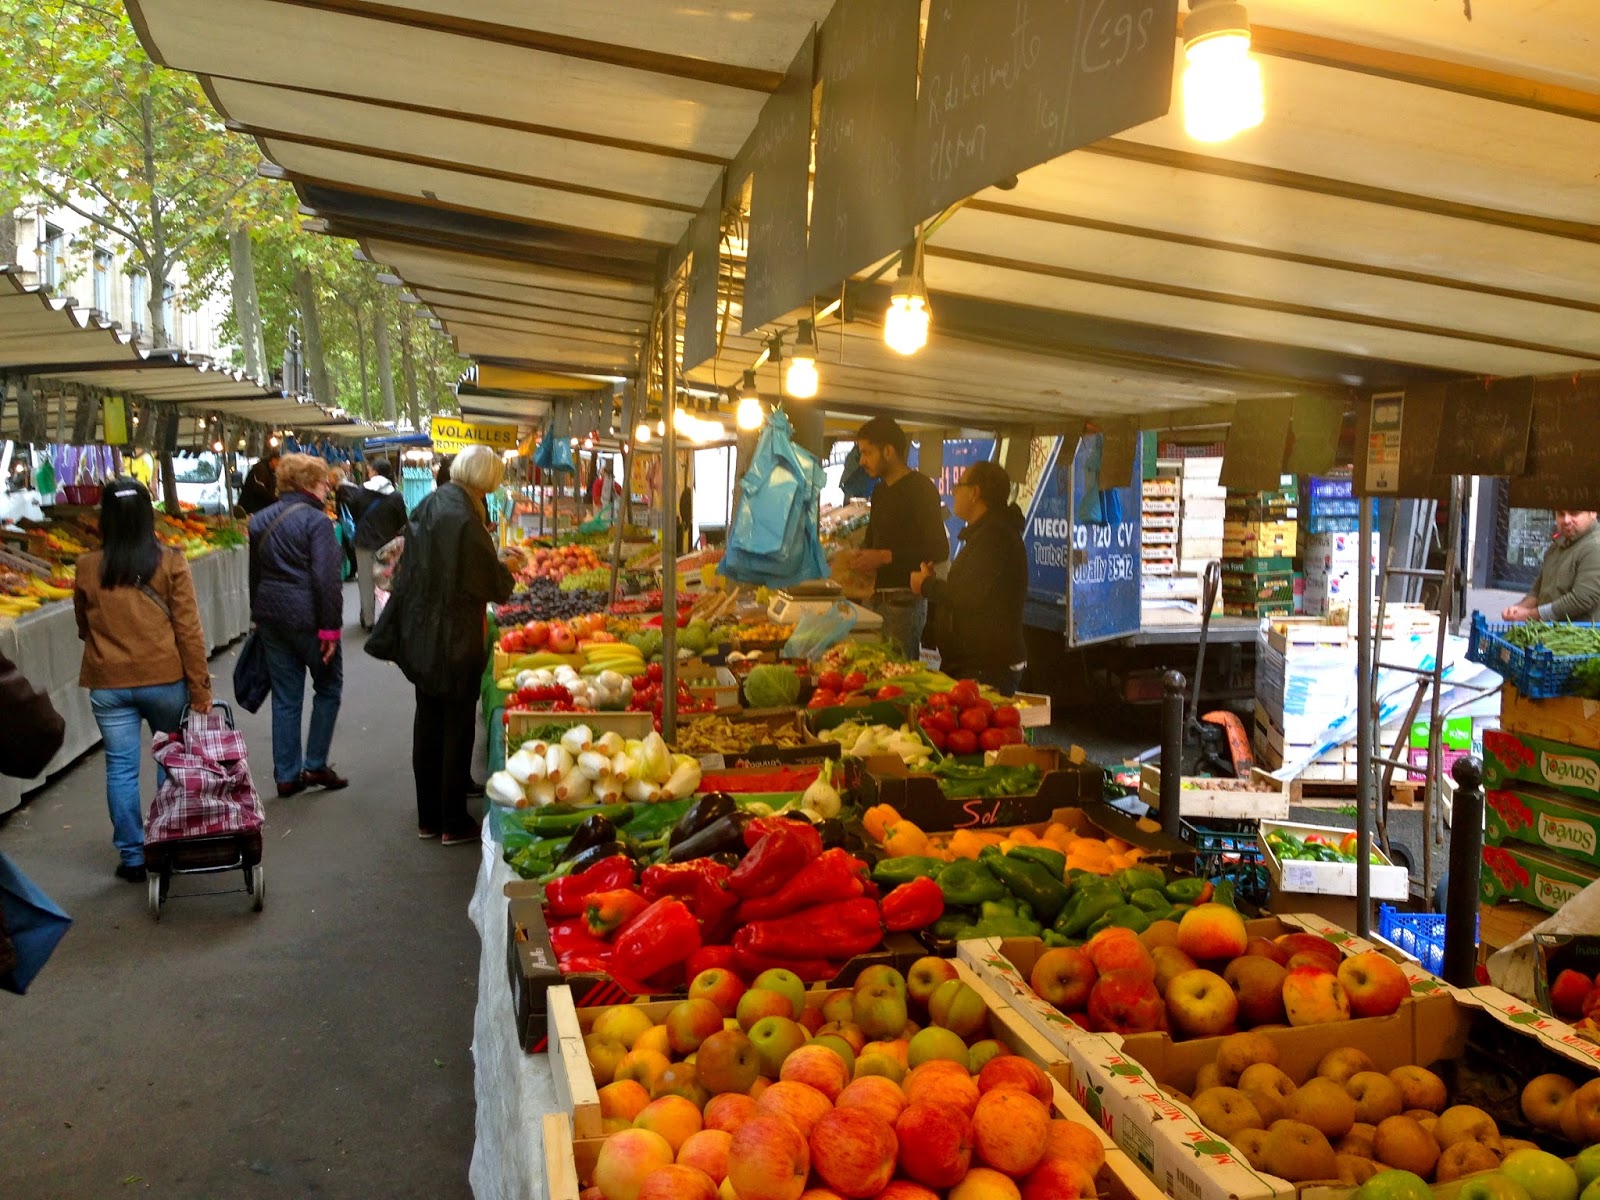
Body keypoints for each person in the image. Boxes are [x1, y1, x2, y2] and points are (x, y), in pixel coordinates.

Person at [367, 445, 516, 845]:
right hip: (453, 633)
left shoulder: (434, 502)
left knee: (429, 722)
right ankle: (453, 821)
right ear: (486, 478)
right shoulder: (464, 515)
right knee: (456, 724)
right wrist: (507, 569)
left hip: (423, 628)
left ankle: (429, 817)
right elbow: (488, 583)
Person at [73, 479, 213, 882]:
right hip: (165, 679)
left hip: (108, 682)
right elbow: (188, 630)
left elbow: (83, 625)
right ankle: (165, 842)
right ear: (148, 515)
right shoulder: (170, 562)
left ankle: (133, 856)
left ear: (105, 518)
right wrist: (200, 688)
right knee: (169, 761)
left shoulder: (86, 566)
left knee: (120, 769)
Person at [248, 453, 347, 797]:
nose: (327, 489)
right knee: (328, 686)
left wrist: (256, 615)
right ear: (308, 484)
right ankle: (315, 763)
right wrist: (330, 629)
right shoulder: (317, 522)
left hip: (271, 618)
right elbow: (326, 579)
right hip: (309, 619)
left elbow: (255, 574)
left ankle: (287, 774)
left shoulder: (259, 520)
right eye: (323, 483)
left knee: (286, 696)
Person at [911, 461, 1028, 694]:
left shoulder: (994, 536)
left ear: (975, 492)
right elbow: (973, 588)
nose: (954, 492)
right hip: (973, 662)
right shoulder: (987, 532)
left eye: (958, 486)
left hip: (986, 665)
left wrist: (926, 585)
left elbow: (967, 596)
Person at [851, 416, 949, 658]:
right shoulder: (879, 491)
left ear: (888, 451)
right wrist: (857, 557)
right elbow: (873, 541)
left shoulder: (921, 488)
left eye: (867, 452)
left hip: (903, 605)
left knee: (898, 673)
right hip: (873, 600)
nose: (861, 461)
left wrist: (886, 556)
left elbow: (938, 549)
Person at [1503, 510, 1600, 623]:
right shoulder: (1557, 546)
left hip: (1580, 631)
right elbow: (1538, 590)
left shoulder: (1595, 547)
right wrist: (1517, 609)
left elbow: (1582, 599)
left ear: (1593, 512)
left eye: (1574, 513)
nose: (1566, 520)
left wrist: (1529, 615)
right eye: (1561, 514)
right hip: (1549, 628)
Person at [349, 459, 408, 631]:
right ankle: (388, 619)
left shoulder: (360, 492)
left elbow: (354, 514)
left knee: (366, 582)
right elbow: (401, 521)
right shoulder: (395, 496)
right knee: (388, 581)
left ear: (374, 471)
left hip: (364, 542)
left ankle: (368, 620)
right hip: (388, 545)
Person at [238, 450, 280, 515]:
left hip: (260, 508)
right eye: (278, 462)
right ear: (273, 460)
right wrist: (274, 500)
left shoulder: (271, 472)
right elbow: (260, 489)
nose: (279, 465)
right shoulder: (260, 468)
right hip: (251, 509)